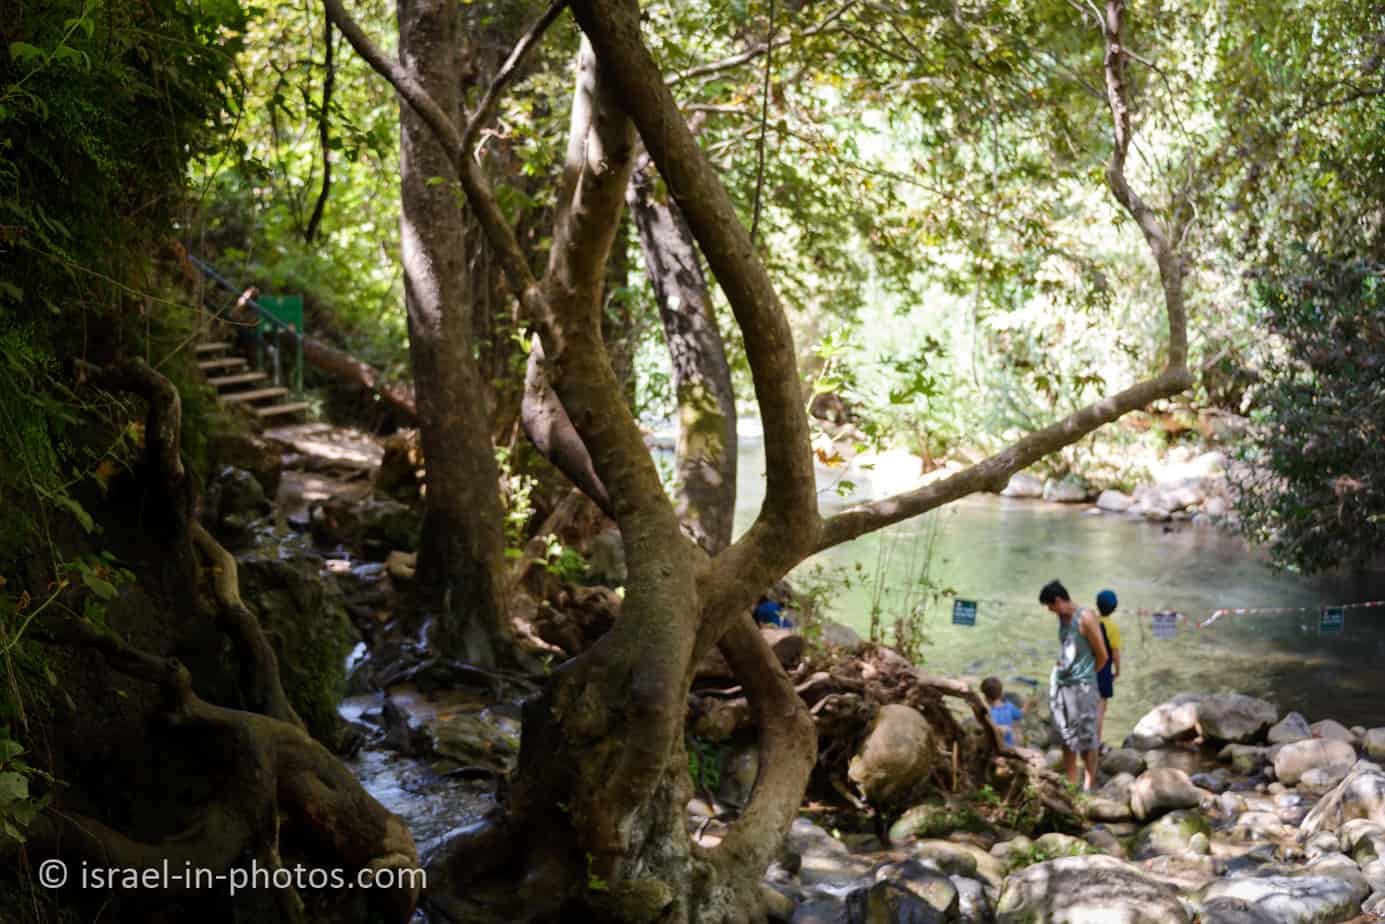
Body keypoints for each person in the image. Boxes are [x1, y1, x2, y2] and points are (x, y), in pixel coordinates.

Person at [1039, 579, 1109, 790]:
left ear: (1059, 600)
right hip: (1062, 685)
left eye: (1051, 606)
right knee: (1065, 737)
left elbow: (1102, 656)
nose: (1050, 611)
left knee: (1087, 739)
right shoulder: (1062, 618)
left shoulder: (1086, 617)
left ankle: (1088, 786)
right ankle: (1071, 784)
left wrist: (1084, 678)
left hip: (1083, 686)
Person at [1094, 588, 1122, 748]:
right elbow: (1115, 653)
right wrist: (1117, 671)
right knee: (1100, 711)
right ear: (1114, 608)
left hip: (1089, 670)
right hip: (1104, 672)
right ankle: (1096, 744)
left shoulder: (1092, 623)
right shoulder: (1112, 628)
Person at [981, 676, 1025, 747]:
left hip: (996, 749)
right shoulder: (1009, 707)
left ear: (986, 698)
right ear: (1001, 693)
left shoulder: (989, 714)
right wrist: (1027, 705)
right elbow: (1019, 715)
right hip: (1010, 746)